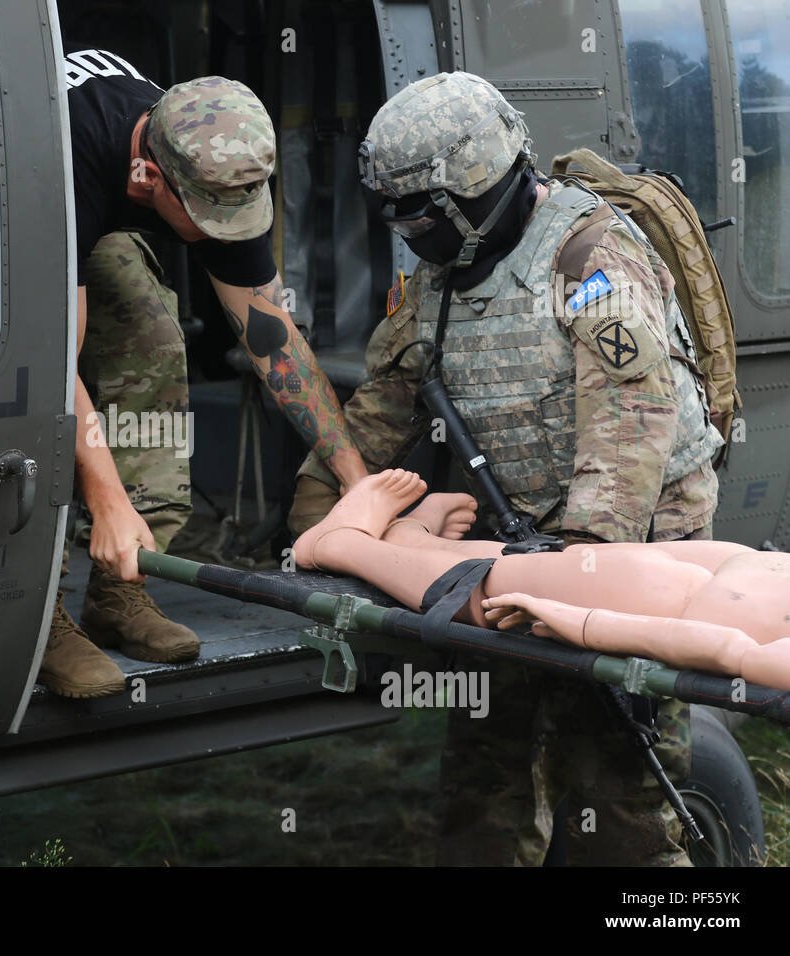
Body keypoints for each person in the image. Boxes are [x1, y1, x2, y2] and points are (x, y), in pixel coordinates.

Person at [287, 72, 726, 865]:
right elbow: (381, 408)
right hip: (520, 542)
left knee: (617, 786)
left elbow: (632, 427)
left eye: (421, 215)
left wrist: (580, 578)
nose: (409, 233)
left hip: (634, 542)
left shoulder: (590, 258)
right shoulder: (438, 283)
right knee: (484, 777)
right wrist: (316, 529)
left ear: (475, 191)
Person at [40, 45, 368, 698]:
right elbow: (48, 363)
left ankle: (120, 589)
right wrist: (106, 499)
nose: (224, 233)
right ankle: (34, 618)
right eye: (207, 219)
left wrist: (354, 476)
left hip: (93, 196)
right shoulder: (66, 163)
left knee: (153, 340)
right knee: (3, 385)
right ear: (150, 180)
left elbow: (274, 342)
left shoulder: (216, 164)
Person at [294, 470, 790, 691]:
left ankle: (340, 545)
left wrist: (586, 624)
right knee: (548, 564)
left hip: (685, 602)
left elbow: (733, 652)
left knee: (495, 588)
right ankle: (411, 540)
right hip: (734, 568)